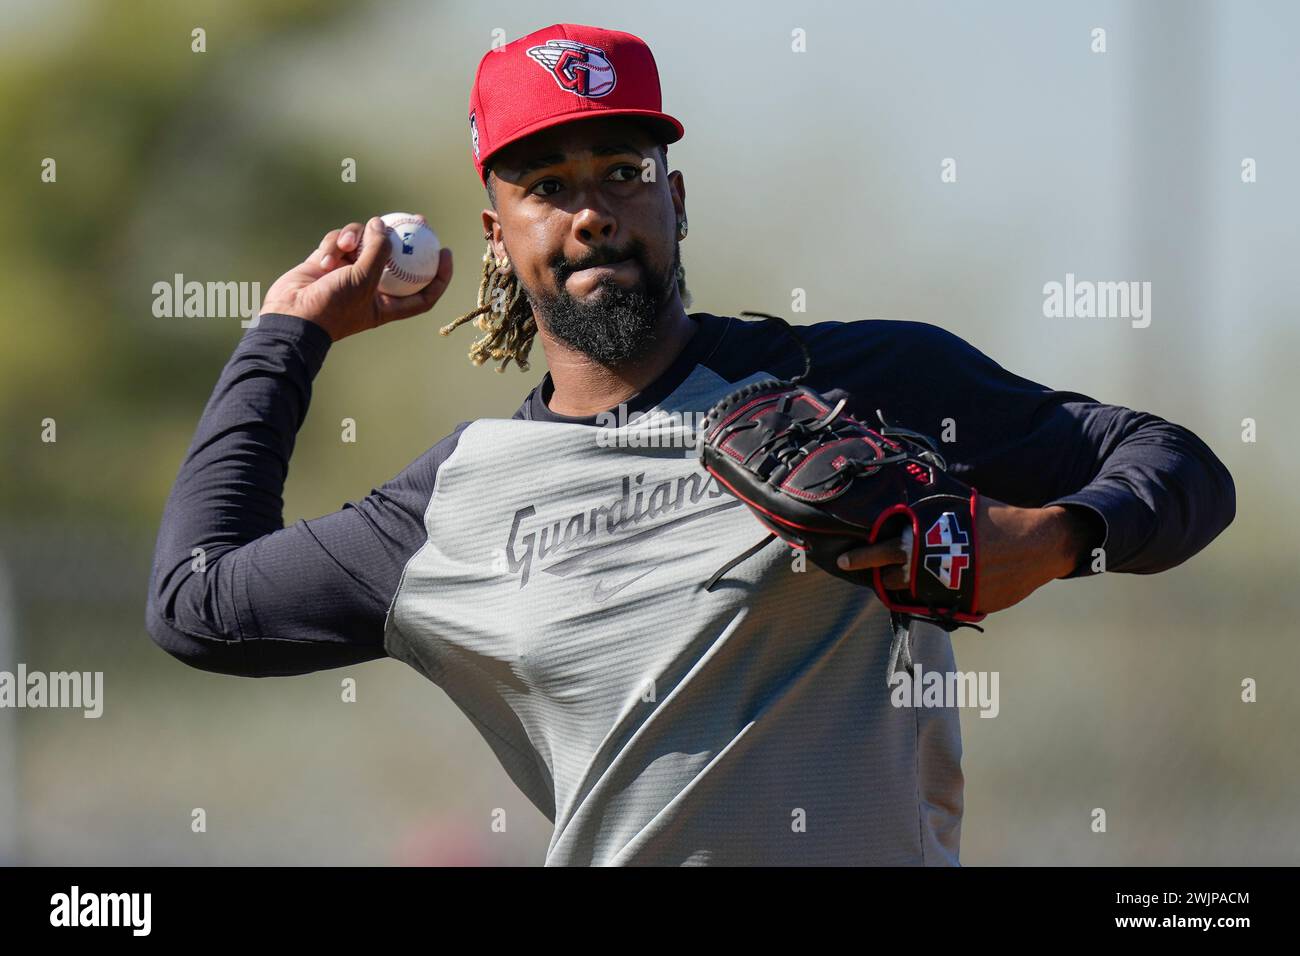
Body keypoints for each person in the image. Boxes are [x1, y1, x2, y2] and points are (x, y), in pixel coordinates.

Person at [146, 23, 1235, 865]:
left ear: (673, 197)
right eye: (547, 186)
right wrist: (287, 332)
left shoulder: (858, 383)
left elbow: (1178, 463)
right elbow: (197, 601)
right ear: (498, 234)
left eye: (621, 170)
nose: (592, 212)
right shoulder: (451, 505)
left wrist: (1058, 538)